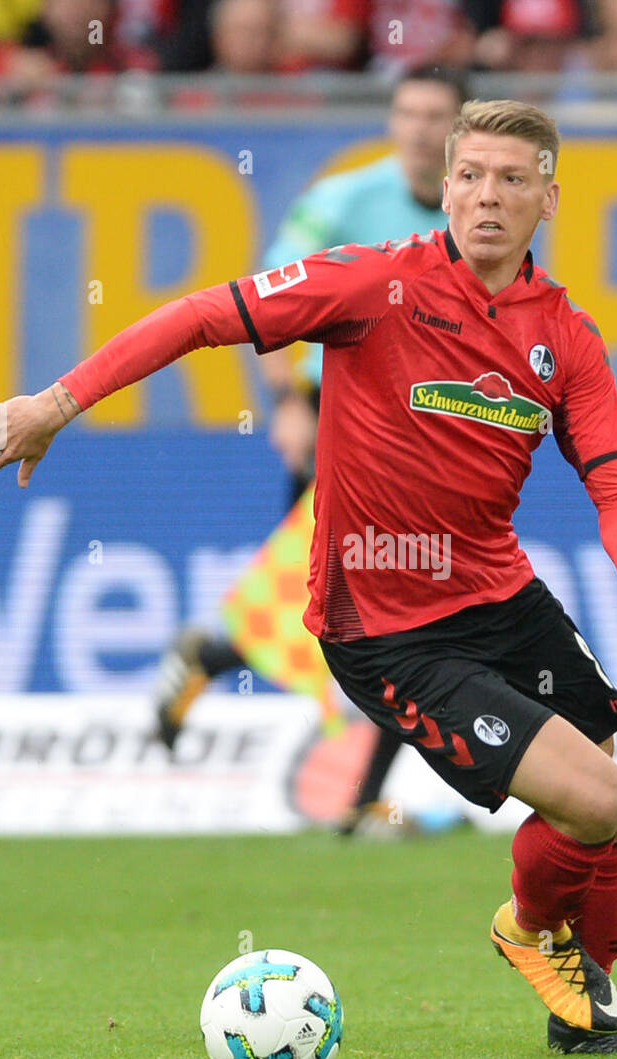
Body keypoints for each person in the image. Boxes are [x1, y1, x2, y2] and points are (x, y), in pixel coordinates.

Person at [0, 99, 617, 1056]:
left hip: (501, 594)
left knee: (598, 793)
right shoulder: (375, 283)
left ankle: (570, 995)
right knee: (597, 802)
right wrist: (55, 402)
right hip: (386, 627)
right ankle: (544, 954)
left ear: (550, 195)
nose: (488, 197)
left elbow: (612, 474)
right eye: (470, 177)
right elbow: (204, 315)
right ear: (447, 186)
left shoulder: (566, 336)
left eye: (512, 180)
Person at [156, 63, 470, 836]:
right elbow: (262, 301)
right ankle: (361, 798)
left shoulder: (483, 212)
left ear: (462, 127)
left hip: (425, 438)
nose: (419, 128)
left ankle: (216, 653)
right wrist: (289, 402)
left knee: (373, 618)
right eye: (407, 111)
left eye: (436, 113)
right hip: (344, 428)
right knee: (400, 619)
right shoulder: (342, 201)